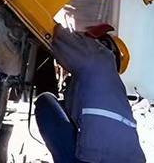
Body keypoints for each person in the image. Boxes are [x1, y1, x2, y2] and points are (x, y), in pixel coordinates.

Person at [34, 23, 145, 163]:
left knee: (46, 102)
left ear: (106, 47)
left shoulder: (100, 57)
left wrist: (45, 30)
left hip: (96, 160)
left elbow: (61, 38)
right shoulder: (111, 89)